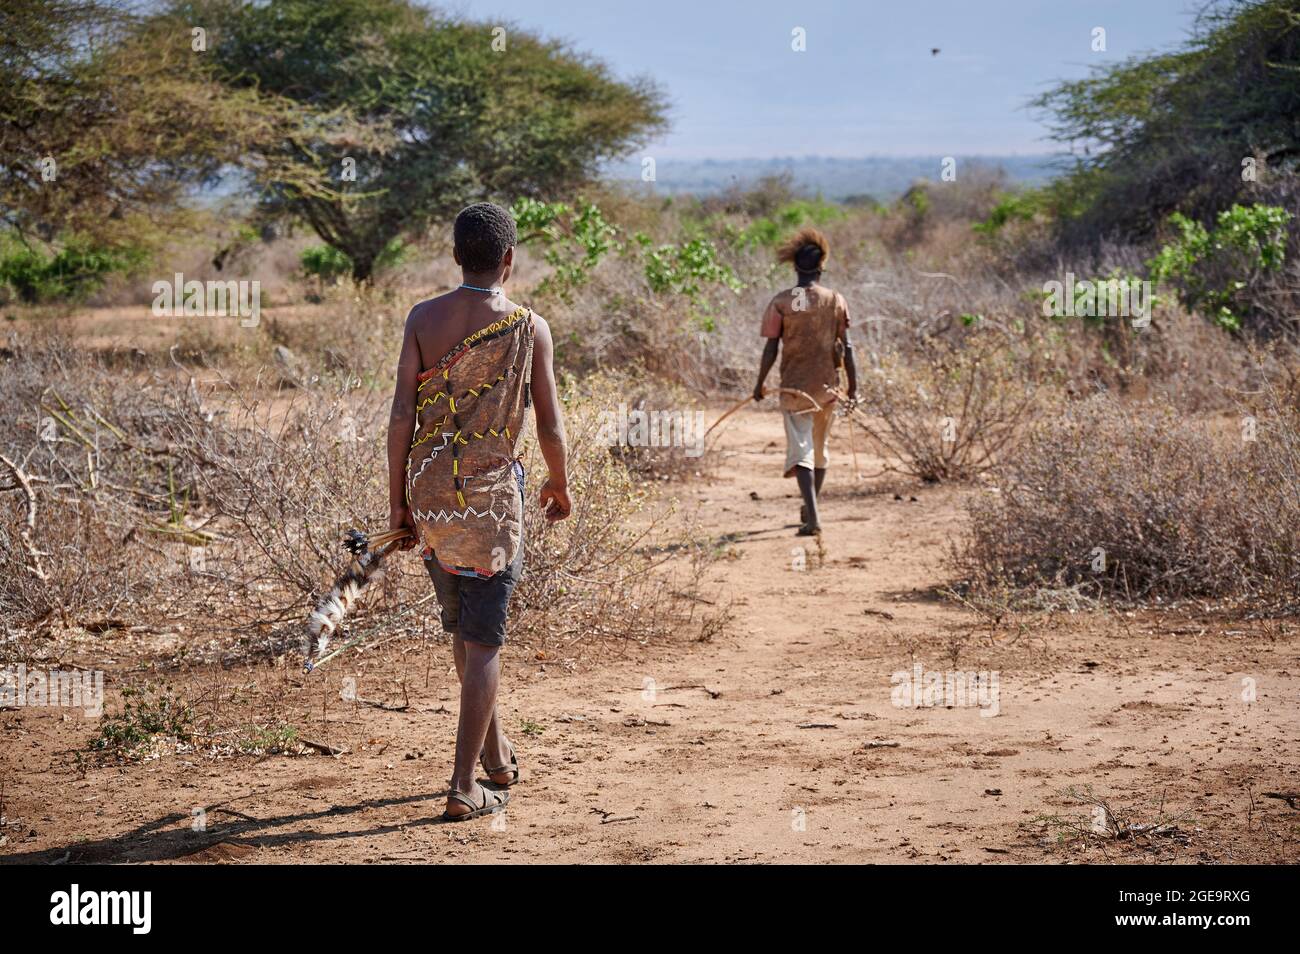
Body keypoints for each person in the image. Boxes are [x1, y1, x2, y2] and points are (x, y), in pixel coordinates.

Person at [386, 202, 571, 821]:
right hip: (491, 506)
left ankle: (494, 758)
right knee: (485, 640)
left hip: (430, 498)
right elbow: (549, 424)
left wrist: (397, 505)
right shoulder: (529, 327)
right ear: (509, 261)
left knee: (464, 629)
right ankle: (464, 787)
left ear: (457, 257)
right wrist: (559, 483)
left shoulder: (422, 318)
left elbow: (400, 419)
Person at [752, 227, 858, 535]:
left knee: (801, 452)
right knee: (819, 449)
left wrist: (759, 384)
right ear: (821, 266)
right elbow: (847, 347)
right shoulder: (836, 301)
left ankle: (812, 519)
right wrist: (854, 387)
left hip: (794, 389)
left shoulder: (782, 302)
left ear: (794, 266)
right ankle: (811, 508)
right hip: (828, 389)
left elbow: (771, 347)